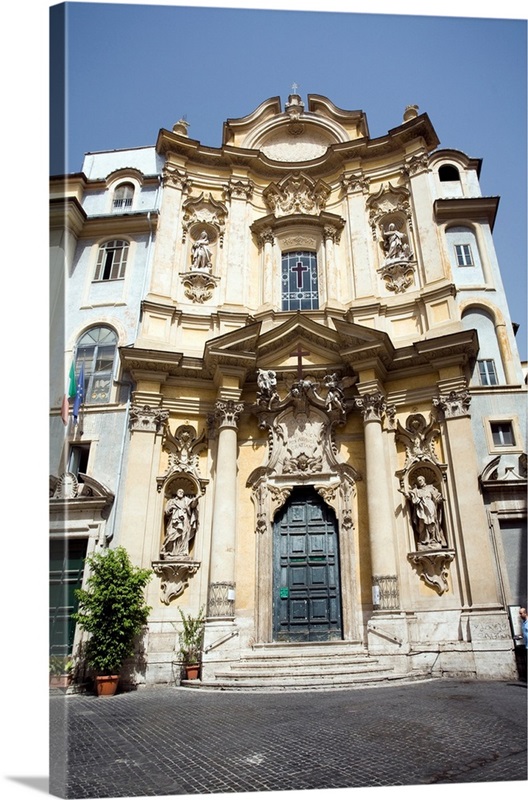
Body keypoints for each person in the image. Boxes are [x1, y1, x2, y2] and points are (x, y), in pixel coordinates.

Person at [400, 475, 446, 549]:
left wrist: (440, 500)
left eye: (420, 480)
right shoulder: (416, 491)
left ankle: (433, 539)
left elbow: (436, 498)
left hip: (430, 507)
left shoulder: (430, 488)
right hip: (421, 509)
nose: (419, 482)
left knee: (432, 523)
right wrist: (405, 494)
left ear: (424, 480)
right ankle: (424, 540)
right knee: (422, 523)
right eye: (418, 481)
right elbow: (411, 498)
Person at [161, 489, 198, 558]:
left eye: (182, 492)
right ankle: (169, 551)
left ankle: (181, 552)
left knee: (183, 536)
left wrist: (196, 499)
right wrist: (171, 508)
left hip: (184, 521)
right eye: (180, 491)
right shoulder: (172, 501)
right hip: (173, 522)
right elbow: (167, 512)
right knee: (171, 534)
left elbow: (192, 505)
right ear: (176, 492)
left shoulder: (186, 500)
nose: (181, 493)